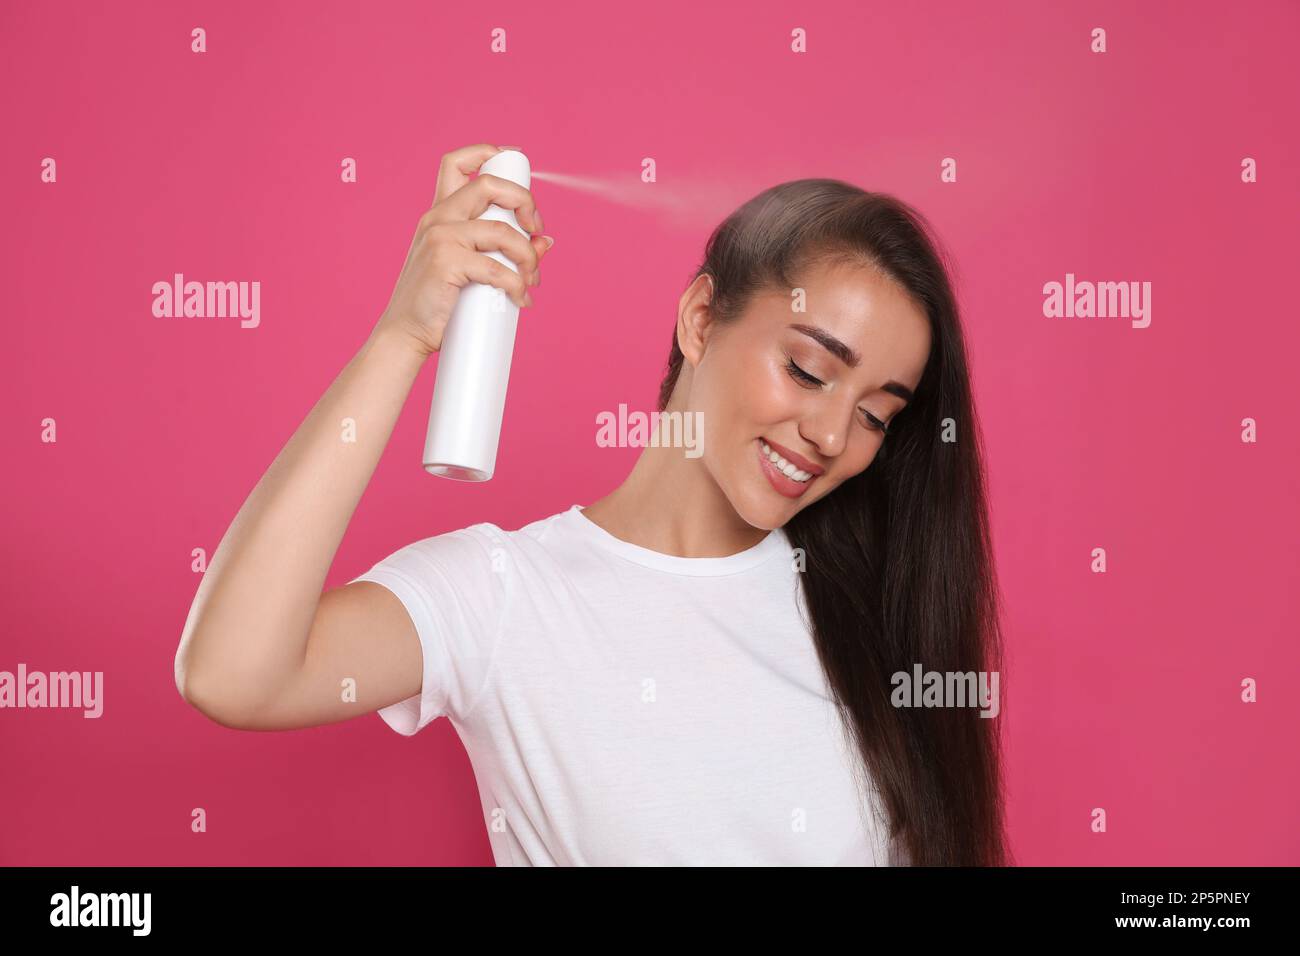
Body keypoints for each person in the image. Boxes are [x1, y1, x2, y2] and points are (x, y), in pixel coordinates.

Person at [175, 142, 1009, 866]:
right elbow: (231, 673)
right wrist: (404, 336)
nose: (832, 434)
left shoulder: (869, 615)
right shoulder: (504, 599)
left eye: (875, 415)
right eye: (807, 371)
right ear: (701, 318)